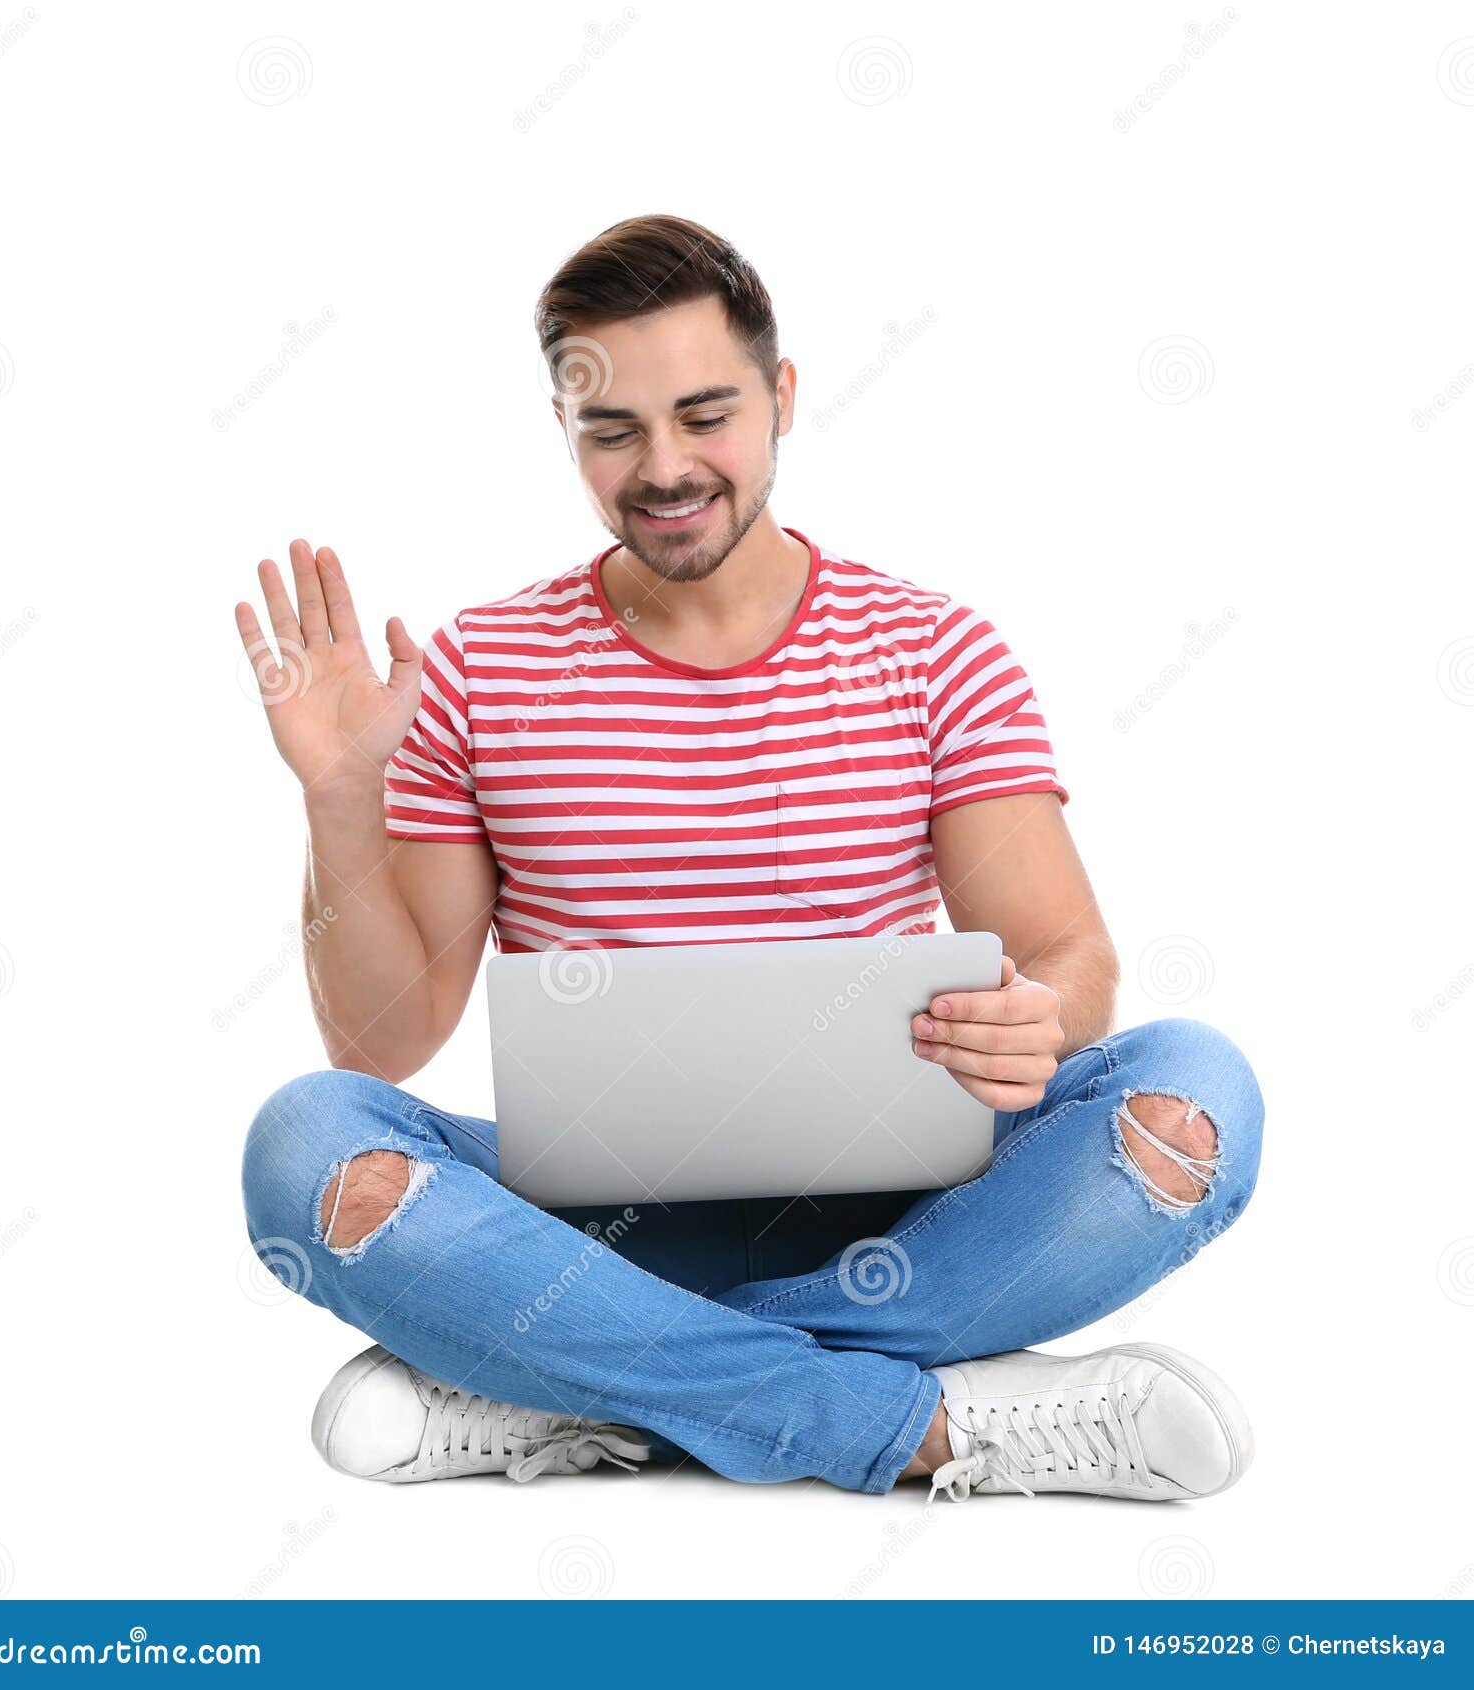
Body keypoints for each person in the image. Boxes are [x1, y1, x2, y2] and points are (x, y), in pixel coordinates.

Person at [236, 215, 1264, 1503]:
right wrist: (342, 801)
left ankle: (572, 1384)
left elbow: (1067, 952)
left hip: (904, 1224)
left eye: (705, 416)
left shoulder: (934, 652)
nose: (665, 468)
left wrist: (1043, 1017)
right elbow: (381, 1045)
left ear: (781, 396)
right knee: (306, 1142)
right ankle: (926, 1422)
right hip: (592, 1236)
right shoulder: (480, 672)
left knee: (1197, 1094)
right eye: (613, 431)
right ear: (565, 430)